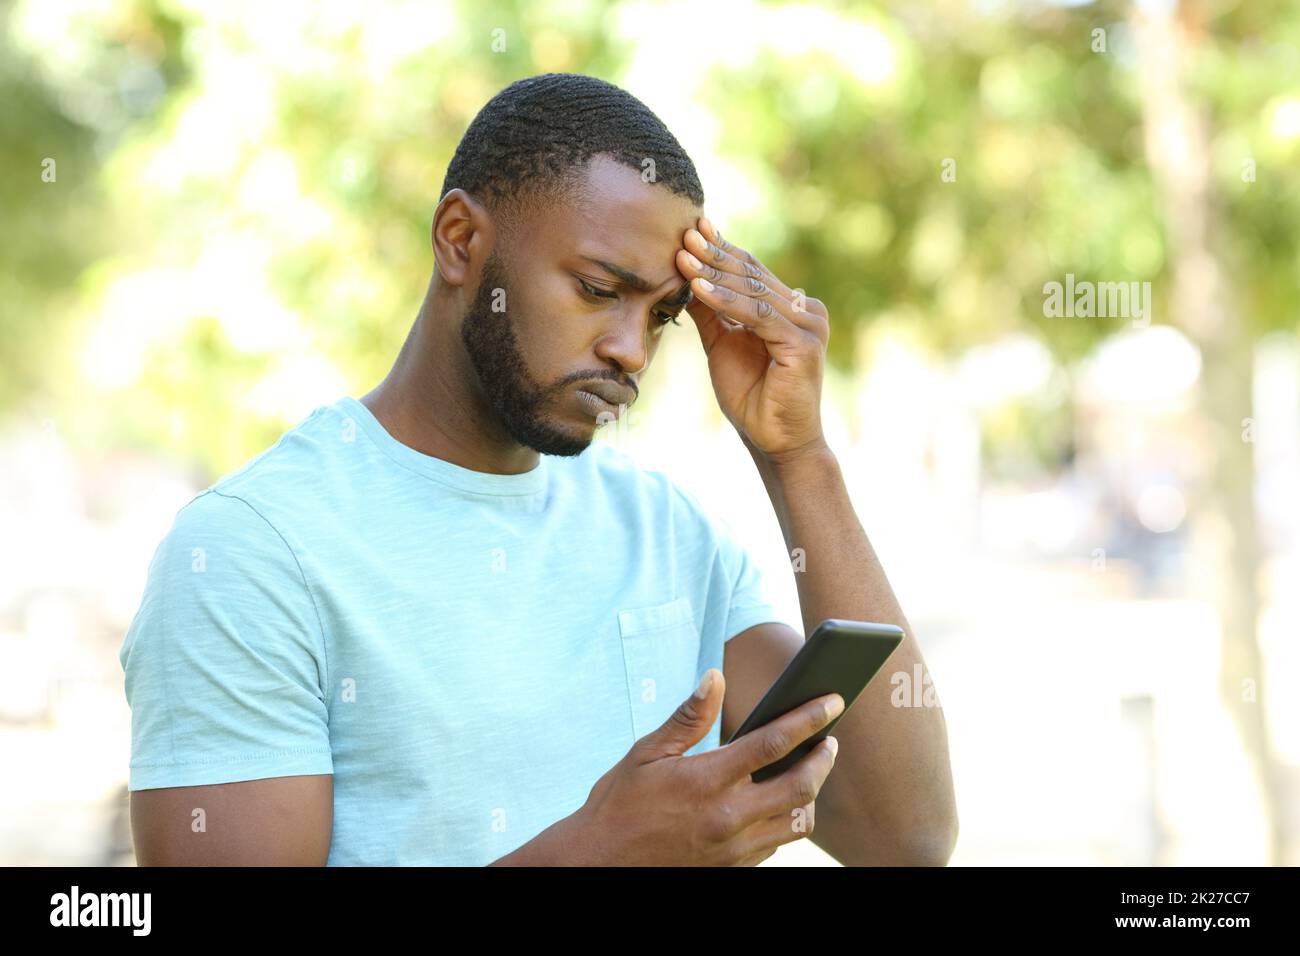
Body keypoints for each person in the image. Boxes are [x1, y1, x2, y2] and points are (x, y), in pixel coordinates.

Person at [120, 72, 957, 866]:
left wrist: (799, 458)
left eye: (662, 314)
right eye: (598, 289)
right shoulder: (252, 553)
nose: (630, 349)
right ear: (460, 241)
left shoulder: (669, 531)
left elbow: (905, 839)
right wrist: (596, 852)